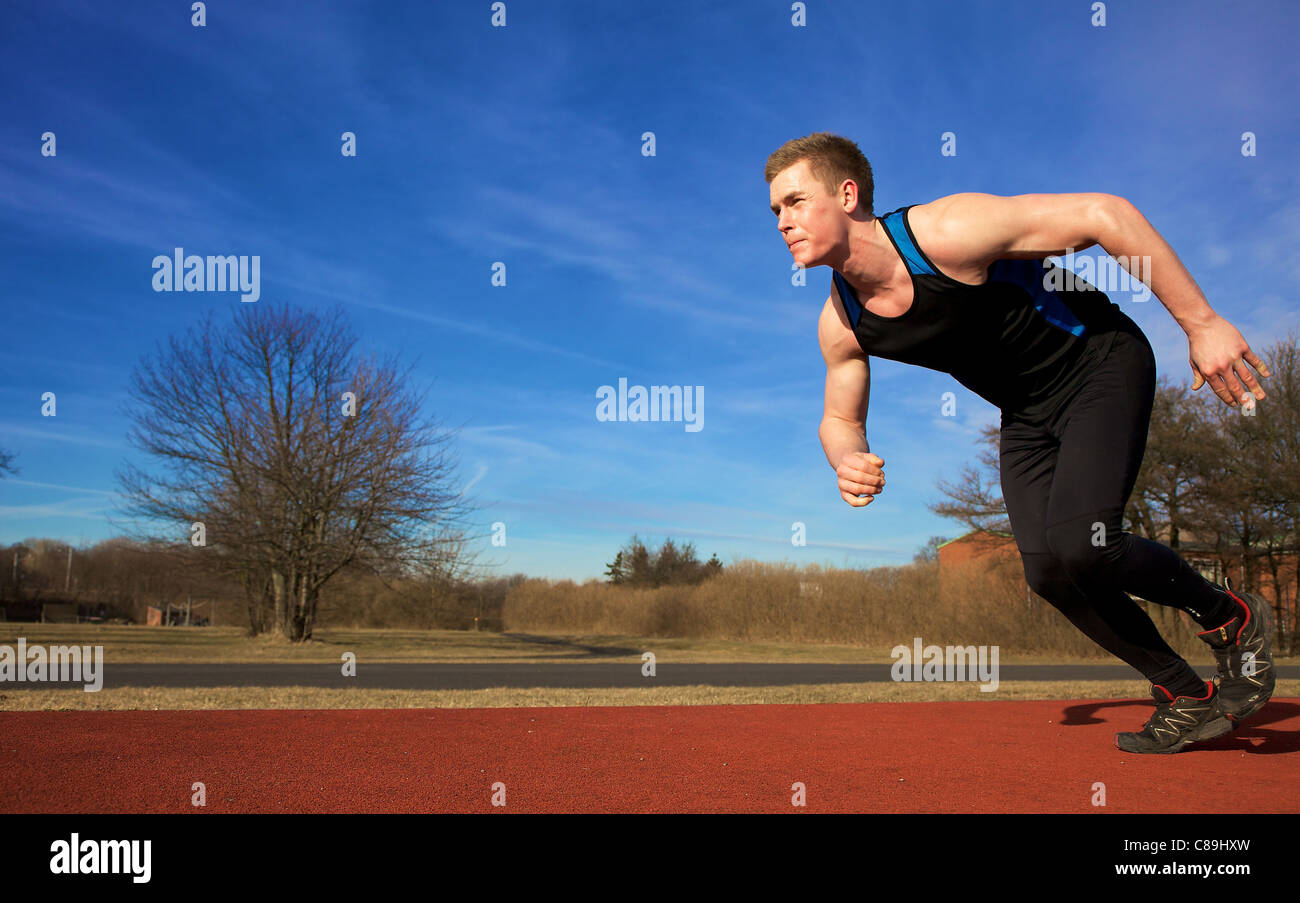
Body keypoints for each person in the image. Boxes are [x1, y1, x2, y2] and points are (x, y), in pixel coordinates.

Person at [766, 132, 1275, 754]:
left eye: (794, 202)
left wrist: (1202, 324)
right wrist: (846, 460)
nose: (783, 221)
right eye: (775, 212)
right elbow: (839, 418)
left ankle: (1229, 617)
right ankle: (1184, 694)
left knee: (1084, 543)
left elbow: (1105, 215)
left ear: (847, 195)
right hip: (1028, 414)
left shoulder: (947, 231)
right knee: (1049, 573)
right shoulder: (841, 319)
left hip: (1099, 364)